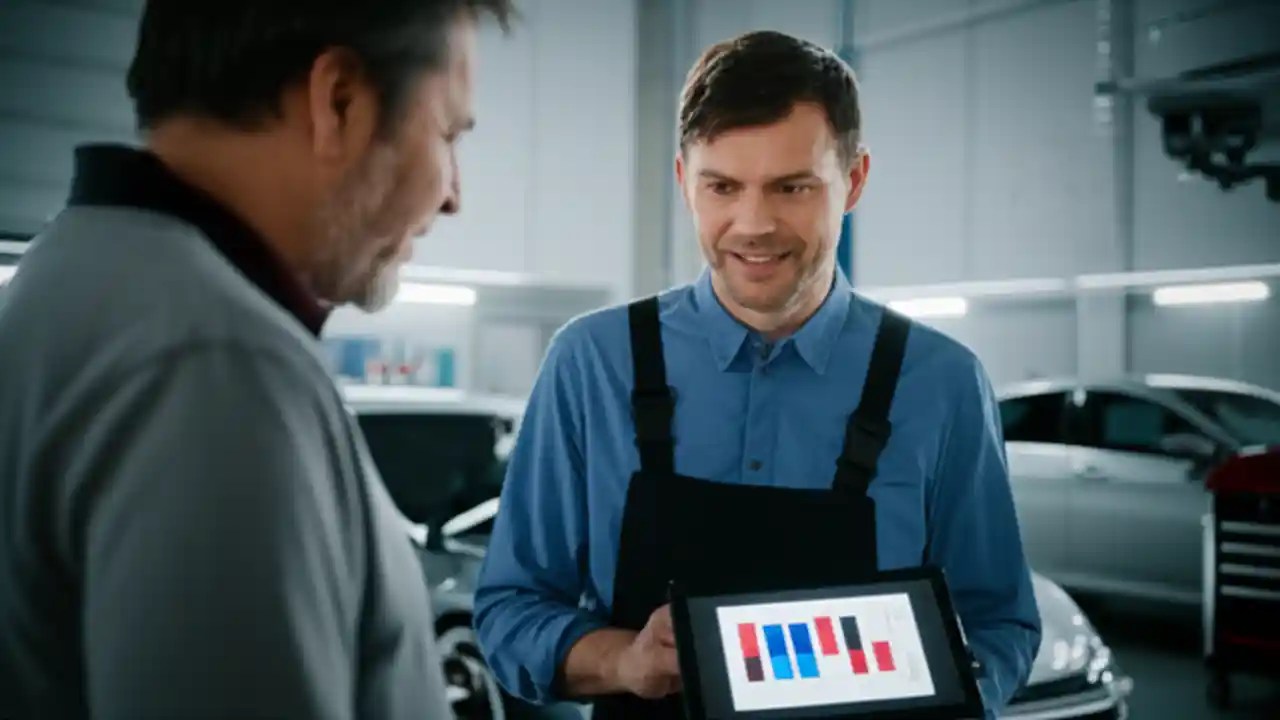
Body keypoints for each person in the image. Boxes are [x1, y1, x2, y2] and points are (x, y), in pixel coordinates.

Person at [474, 30, 1041, 718]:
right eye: (723, 186)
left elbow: (998, 622)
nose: (754, 224)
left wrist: (955, 692)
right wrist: (623, 660)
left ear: (854, 180)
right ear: (685, 181)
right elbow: (511, 610)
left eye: (792, 187)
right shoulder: (593, 364)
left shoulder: (940, 383)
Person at [0, 1, 512, 718]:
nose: (452, 193)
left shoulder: (74, 273)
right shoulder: (214, 367)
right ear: (337, 101)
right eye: (447, 133)